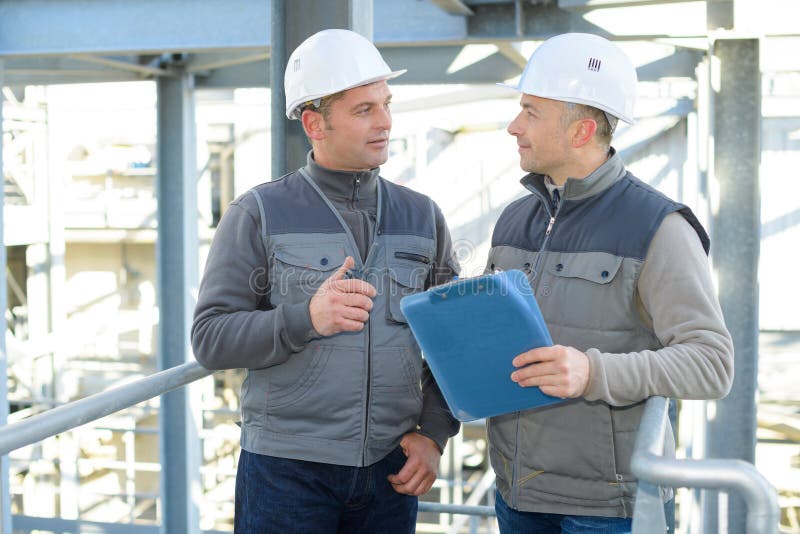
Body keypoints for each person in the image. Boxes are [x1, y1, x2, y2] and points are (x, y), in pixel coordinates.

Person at [191, 29, 460, 533]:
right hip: (285, 474)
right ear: (314, 123)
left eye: (386, 104)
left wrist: (435, 433)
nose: (385, 123)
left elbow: (454, 340)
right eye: (364, 110)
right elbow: (210, 338)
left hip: (392, 469)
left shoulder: (423, 216)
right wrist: (305, 319)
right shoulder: (258, 213)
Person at [485, 33, 734, 533]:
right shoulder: (514, 220)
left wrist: (593, 373)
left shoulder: (659, 227)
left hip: (607, 512)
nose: (514, 126)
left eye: (531, 112)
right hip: (518, 494)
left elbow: (712, 364)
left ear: (580, 131)